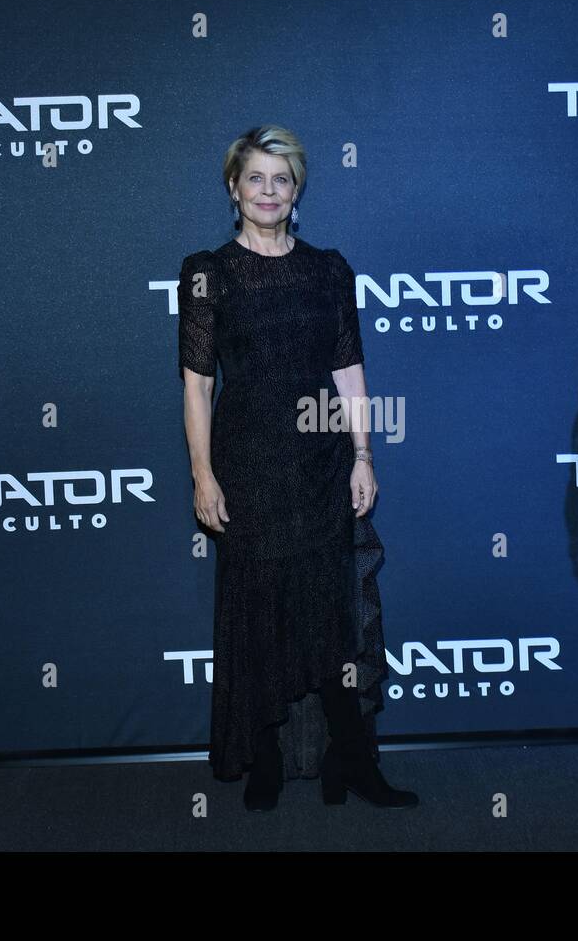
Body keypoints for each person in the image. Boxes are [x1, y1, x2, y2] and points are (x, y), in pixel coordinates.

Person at [177, 125, 418, 811]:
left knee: (333, 617)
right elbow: (196, 383)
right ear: (233, 188)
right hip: (248, 463)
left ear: (297, 190)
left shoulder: (328, 269)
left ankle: (354, 760)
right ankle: (267, 759)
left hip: (320, 462)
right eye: (255, 178)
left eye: (281, 180)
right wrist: (203, 474)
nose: (268, 191)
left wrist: (364, 456)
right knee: (260, 613)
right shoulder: (207, 271)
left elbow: (348, 371)